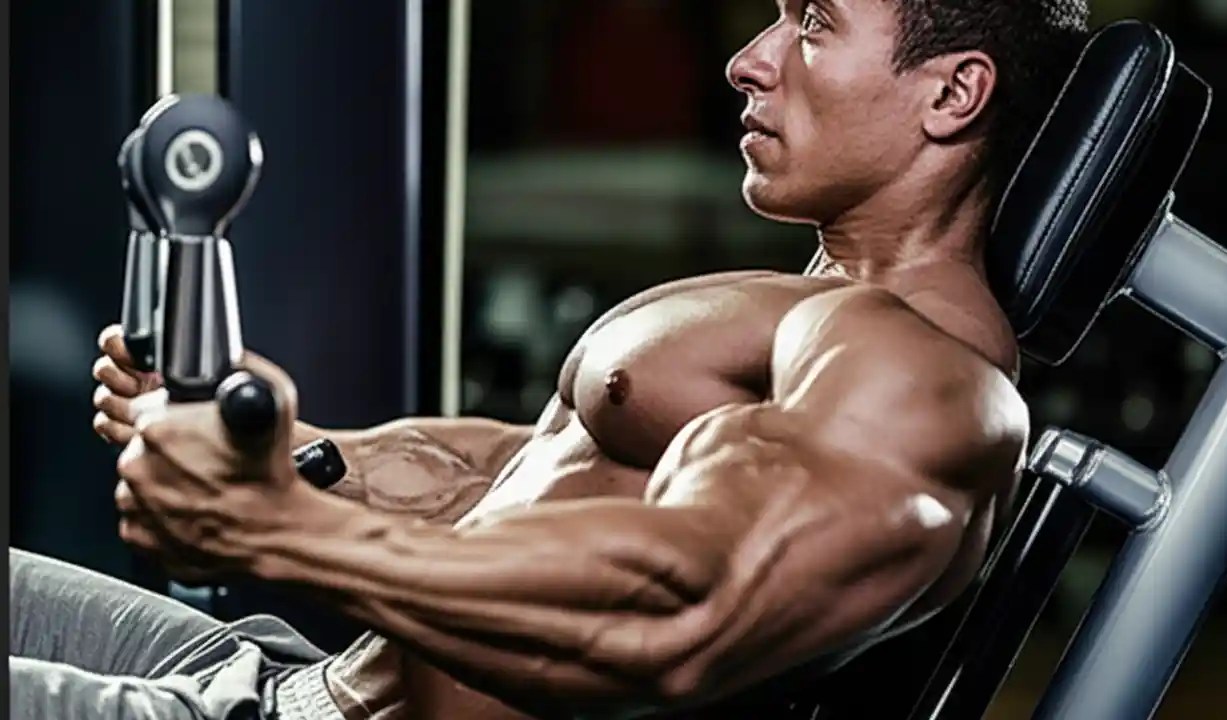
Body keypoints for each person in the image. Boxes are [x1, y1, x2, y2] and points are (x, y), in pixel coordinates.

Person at [12, 1, 1092, 718]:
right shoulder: (814, 315)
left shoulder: (921, 381)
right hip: (284, 679)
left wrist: (287, 531)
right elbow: (524, 480)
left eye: (812, 24)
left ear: (951, 95)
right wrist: (296, 455)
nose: (748, 60)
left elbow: (680, 609)